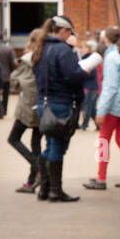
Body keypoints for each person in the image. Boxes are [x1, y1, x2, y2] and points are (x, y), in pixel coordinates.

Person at [32, 14, 99, 202]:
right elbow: (72, 77)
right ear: (62, 30)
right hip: (60, 104)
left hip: (43, 103)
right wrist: (84, 71)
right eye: (69, 31)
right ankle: (55, 191)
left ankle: (44, 189)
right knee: (58, 146)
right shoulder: (62, 49)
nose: (70, 35)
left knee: (50, 144)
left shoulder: (41, 47)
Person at [84, 27, 120, 190]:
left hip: (112, 106)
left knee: (103, 141)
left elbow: (110, 87)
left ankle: (101, 177)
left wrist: (101, 110)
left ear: (105, 39)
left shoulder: (111, 57)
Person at [7, 28, 44, 193]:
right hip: (42, 105)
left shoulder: (27, 59)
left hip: (28, 106)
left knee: (13, 138)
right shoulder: (45, 58)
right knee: (36, 143)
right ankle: (31, 181)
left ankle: (37, 167)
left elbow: (16, 81)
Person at [0, 32, 17, 119]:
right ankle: (4, 110)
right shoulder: (9, 49)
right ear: (3, 38)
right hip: (6, 75)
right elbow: (13, 63)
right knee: (5, 94)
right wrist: (10, 71)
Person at [78, 40, 101, 130]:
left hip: (90, 86)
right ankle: (99, 125)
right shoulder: (85, 58)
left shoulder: (90, 59)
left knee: (88, 106)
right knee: (91, 107)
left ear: (88, 49)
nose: (81, 50)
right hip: (91, 86)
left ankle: (85, 125)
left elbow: (91, 73)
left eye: (83, 48)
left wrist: (80, 74)